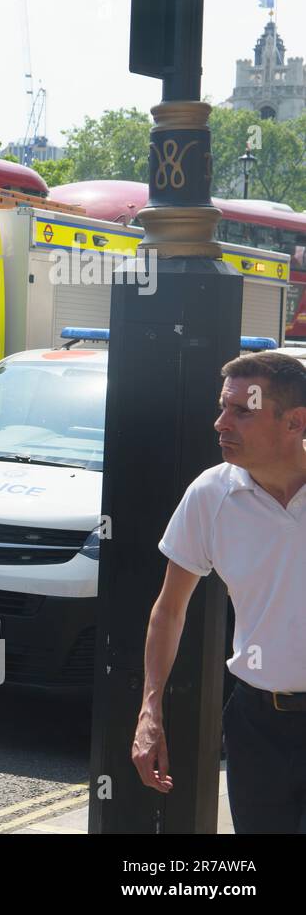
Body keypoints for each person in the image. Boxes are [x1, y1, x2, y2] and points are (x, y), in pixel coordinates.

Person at [132, 351, 306, 833]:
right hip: (256, 725)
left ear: (295, 422)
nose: (220, 423)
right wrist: (151, 708)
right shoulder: (211, 495)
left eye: (241, 412)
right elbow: (168, 611)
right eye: (222, 407)